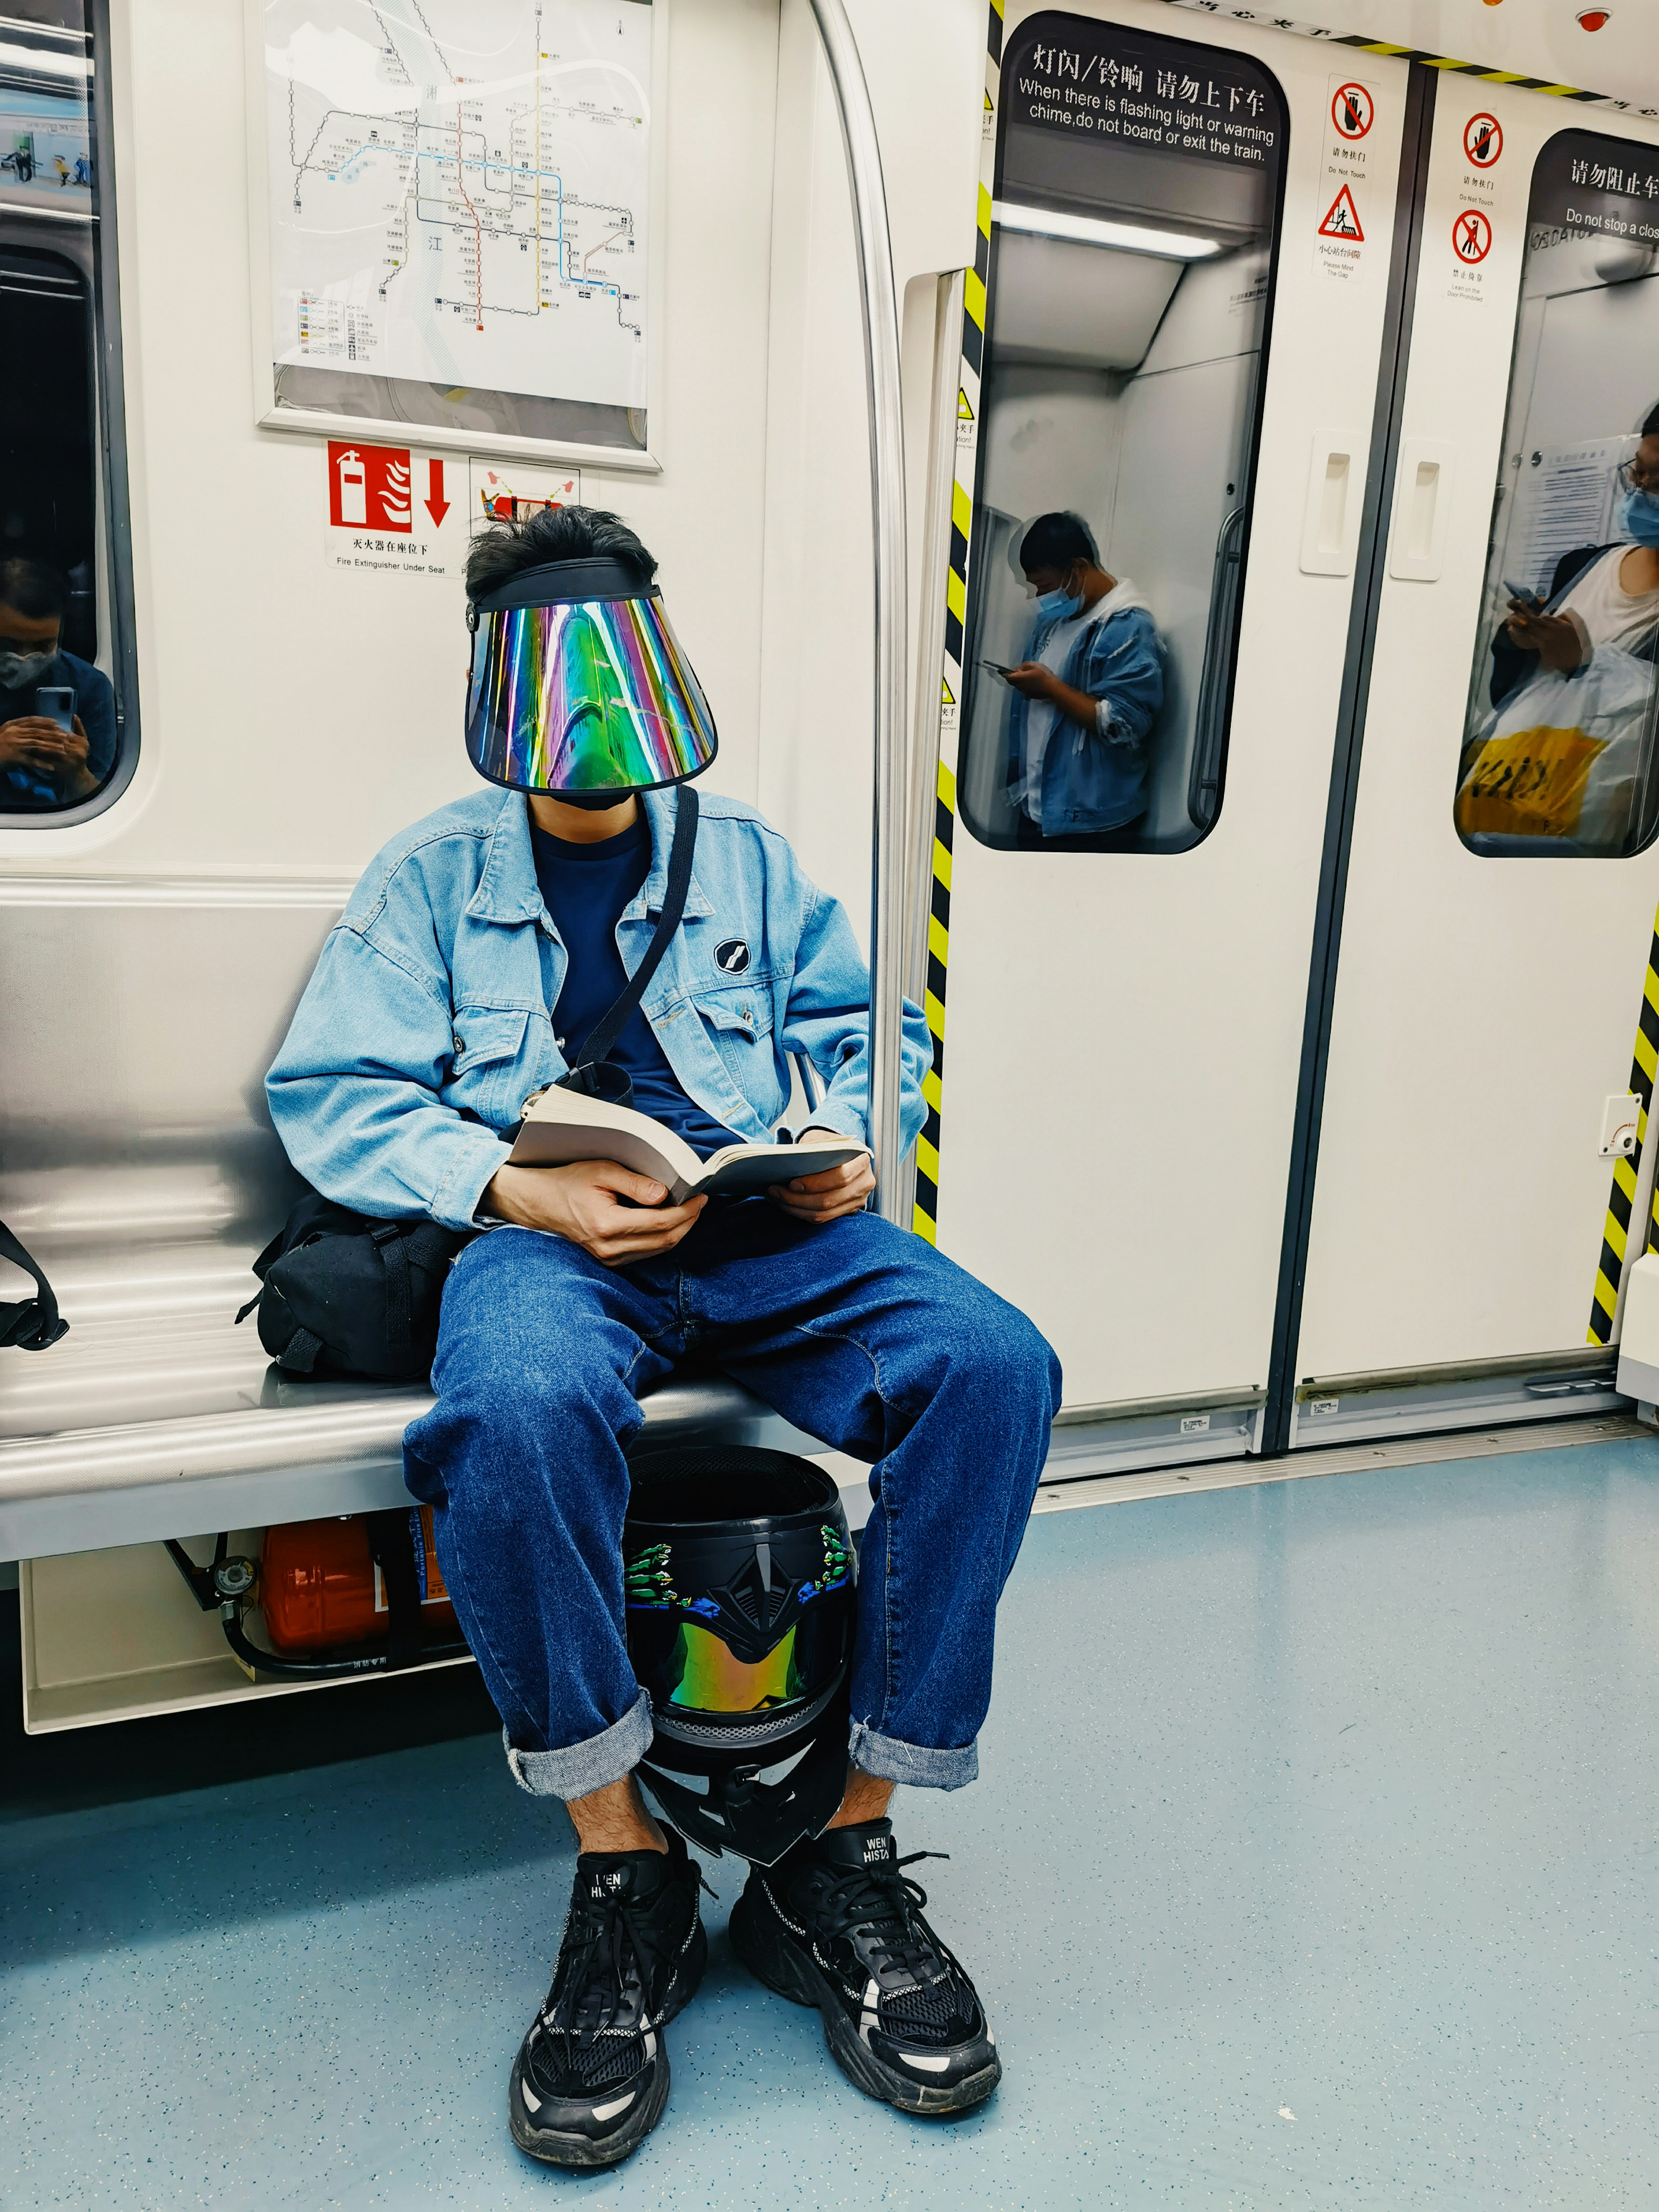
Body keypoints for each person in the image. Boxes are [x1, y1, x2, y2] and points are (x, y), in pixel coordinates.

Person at [265, 504, 1062, 2168]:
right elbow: (332, 1093)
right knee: (512, 1412)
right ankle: (622, 1862)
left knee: (995, 1368)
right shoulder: (428, 881)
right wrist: (517, 1189)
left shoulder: (747, 858)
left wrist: (839, 1136)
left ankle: (837, 1855)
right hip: (557, 1246)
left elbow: (867, 1030)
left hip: (769, 1235)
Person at [1001, 509, 1163, 845]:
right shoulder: (1053, 623)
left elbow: (1125, 725)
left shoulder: (1128, 626)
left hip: (1092, 824)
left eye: (1044, 586)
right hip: (1039, 810)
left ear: (1077, 569)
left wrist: (1050, 688)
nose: (1039, 598)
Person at [1491, 420, 1659, 709]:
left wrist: (1585, 663)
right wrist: (1520, 641)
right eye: (1639, 471)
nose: (1639, 490)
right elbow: (1508, 697)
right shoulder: (1582, 566)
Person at [0, 556, 117, 811]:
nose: (24, 658)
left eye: (43, 646)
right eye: (7, 644)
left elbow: (107, 806)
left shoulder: (90, 687)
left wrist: (79, 774)